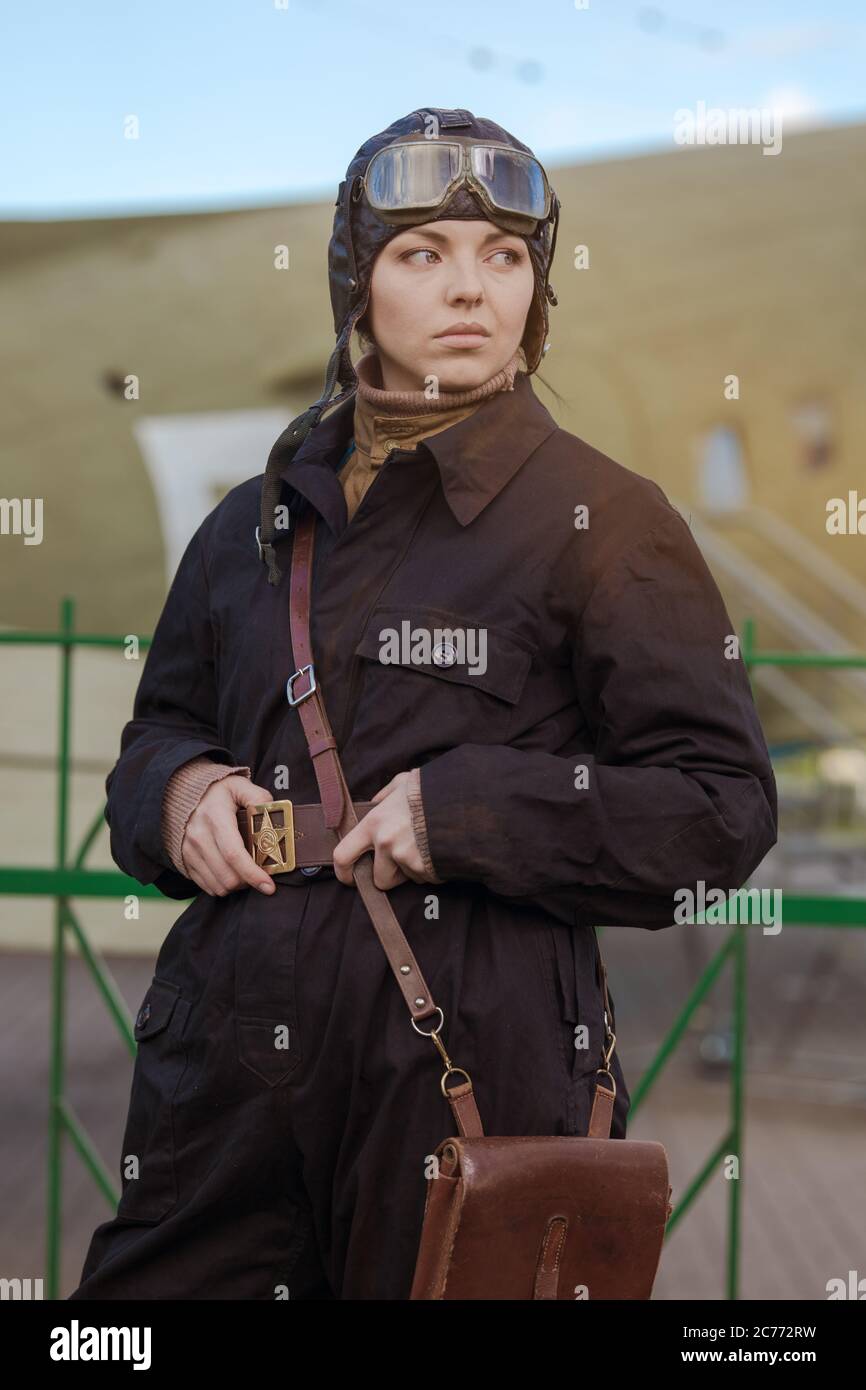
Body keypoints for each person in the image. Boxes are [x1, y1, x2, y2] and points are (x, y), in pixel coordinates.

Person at [70, 107, 778, 1301]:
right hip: (225, 1076)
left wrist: (470, 809)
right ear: (358, 286)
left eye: (503, 257)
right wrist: (178, 791)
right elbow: (155, 739)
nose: (469, 288)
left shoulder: (606, 521)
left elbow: (719, 808)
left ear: (534, 293)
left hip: (467, 1068)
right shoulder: (249, 524)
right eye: (423, 254)